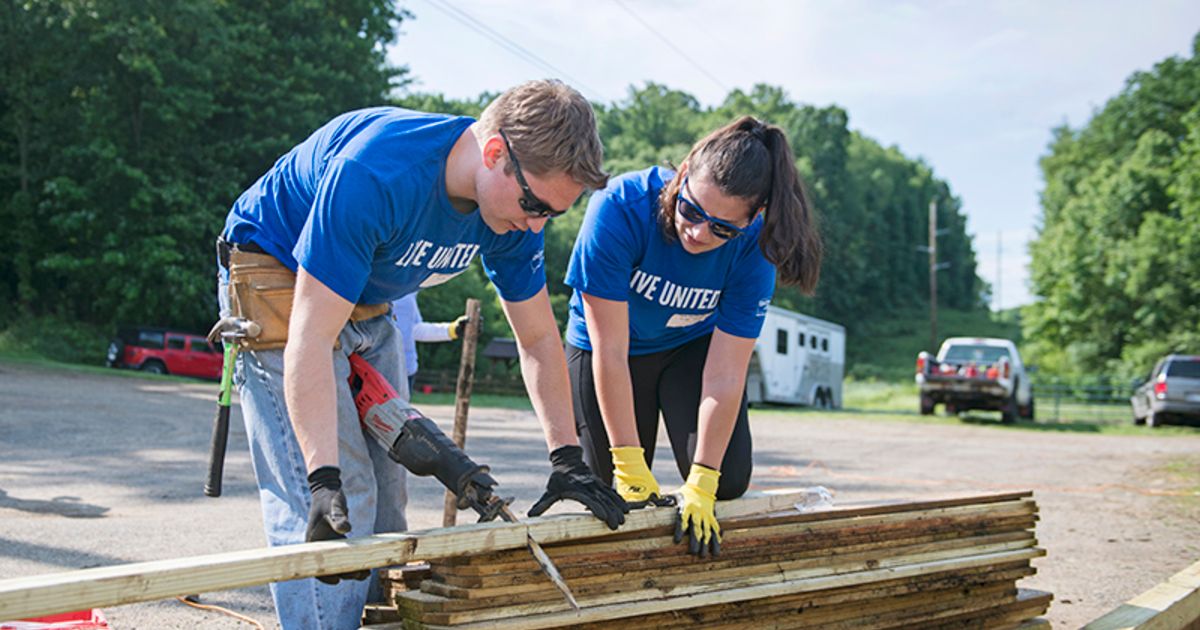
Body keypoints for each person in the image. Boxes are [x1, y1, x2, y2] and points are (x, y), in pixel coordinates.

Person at [215, 79, 628, 630]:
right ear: (495, 152)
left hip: (366, 296)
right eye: (533, 205)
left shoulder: (514, 213)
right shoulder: (377, 173)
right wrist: (319, 479)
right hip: (276, 278)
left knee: (387, 492)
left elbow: (536, 340)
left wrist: (567, 458)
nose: (535, 225)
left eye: (551, 214)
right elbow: (311, 339)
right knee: (341, 497)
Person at [563, 116, 823, 558]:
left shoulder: (755, 249)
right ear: (682, 175)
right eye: (691, 211)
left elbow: (725, 373)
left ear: (754, 217)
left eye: (722, 228)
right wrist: (629, 461)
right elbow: (611, 350)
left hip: (689, 349)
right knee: (609, 487)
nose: (699, 233)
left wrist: (702, 480)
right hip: (607, 351)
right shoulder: (619, 207)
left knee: (728, 480)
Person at [388, 293, 467, 393]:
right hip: (375, 370)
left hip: (407, 372)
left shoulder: (408, 292)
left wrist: (452, 329)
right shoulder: (369, 282)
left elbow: (414, 329)